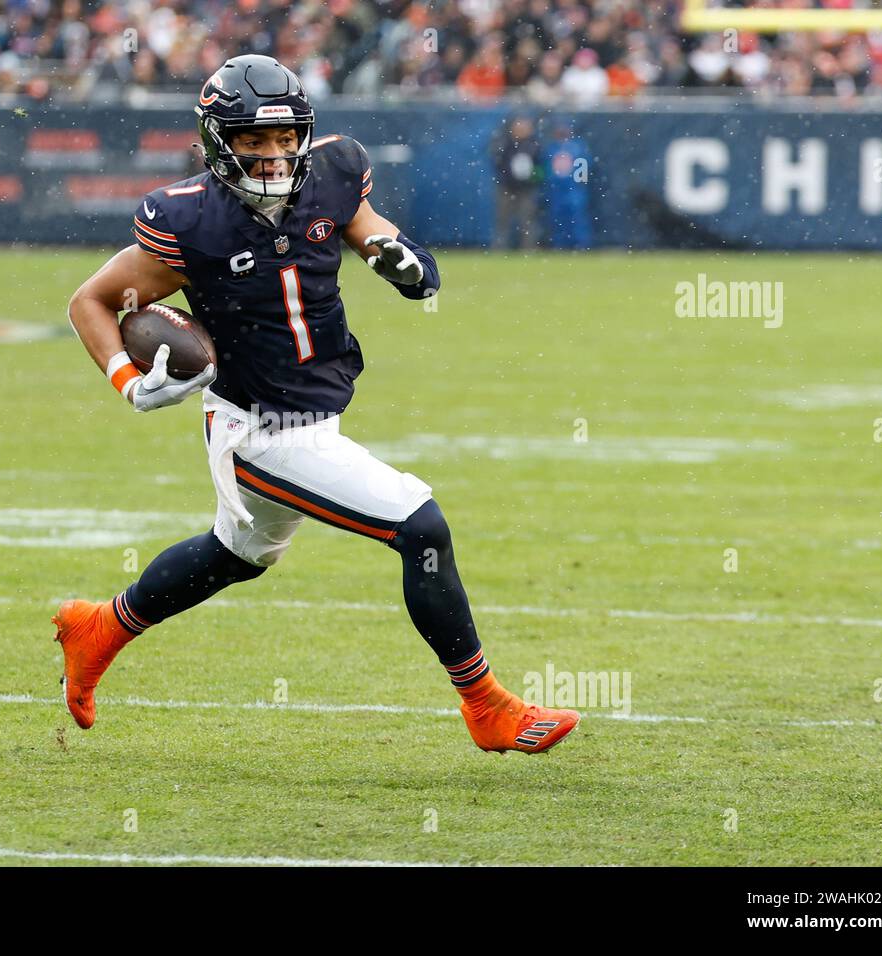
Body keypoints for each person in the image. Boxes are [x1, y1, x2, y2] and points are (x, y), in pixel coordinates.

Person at [59, 55, 580, 755]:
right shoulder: (190, 220)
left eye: (284, 138)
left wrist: (409, 266)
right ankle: (487, 705)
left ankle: (101, 629)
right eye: (253, 140)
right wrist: (128, 380)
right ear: (218, 141)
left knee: (234, 557)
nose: (274, 156)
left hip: (313, 412)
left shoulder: (333, 174)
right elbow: (90, 300)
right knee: (420, 528)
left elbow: (382, 239)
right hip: (259, 431)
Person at [490, 116, 541, 249]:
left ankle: (528, 248)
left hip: (526, 189)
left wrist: (531, 180)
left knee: (527, 220)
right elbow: (498, 164)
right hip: (507, 188)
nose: (522, 130)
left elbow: (540, 168)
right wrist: (507, 178)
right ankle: (499, 248)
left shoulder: (533, 145)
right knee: (502, 220)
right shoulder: (505, 144)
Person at [541, 120, 592, 250]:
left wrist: (580, 183)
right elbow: (546, 169)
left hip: (574, 189)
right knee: (558, 219)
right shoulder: (552, 148)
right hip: (557, 190)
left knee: (577, 217)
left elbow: (584, 167)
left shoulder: (577, 147)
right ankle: (560, 244)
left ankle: (580, 245)